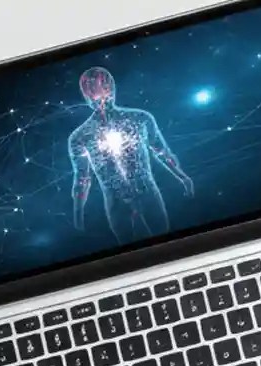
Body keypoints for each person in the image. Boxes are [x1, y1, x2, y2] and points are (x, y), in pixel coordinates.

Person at [69, 67, 195, 242]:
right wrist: (77, 216)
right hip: (120, 202)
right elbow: (82, 178)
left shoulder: (140, 119)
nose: (98, 97)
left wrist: (78, 215)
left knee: (165, 244)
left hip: (142, 196)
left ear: (110, 88)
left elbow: (161, 151)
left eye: (100, 88)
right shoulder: (81, 136)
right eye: (91, 90)